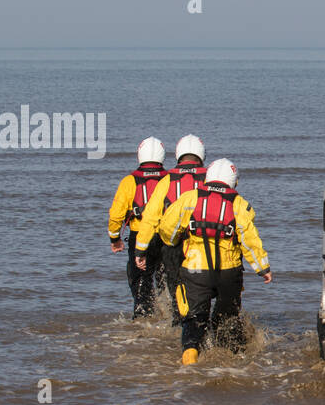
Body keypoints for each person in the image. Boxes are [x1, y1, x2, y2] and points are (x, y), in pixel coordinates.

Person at [155, 158, 272, 365]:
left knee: (194, 319)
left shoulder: (189, 198)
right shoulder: (239, 204)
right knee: (228, 319)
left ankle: (191, 355)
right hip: (229, 273)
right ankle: (233, 359)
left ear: (207, 178)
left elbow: (167, 229)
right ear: (234, 181)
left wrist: (173, 241)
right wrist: (263, 268)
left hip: (195, 270)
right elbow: (250, 240)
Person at [133, 135, 208, 325]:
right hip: (203, 246)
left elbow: (151, 217)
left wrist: (140, 250)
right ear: (202, 155)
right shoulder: (210, 178)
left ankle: (180, 326)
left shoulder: (167, 181)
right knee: (203, 290)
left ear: (177, 155)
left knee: (177, 291)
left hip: (173, 247)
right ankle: (202, 323)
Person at [107, 138, 167, 317]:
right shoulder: (171, 179)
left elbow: (116, 215)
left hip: (139, 237)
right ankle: (172, 320)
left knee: (140, 281)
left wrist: (115, 239)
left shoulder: (129, 181)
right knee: (167, 281)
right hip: (167, 238)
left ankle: (143, 319)